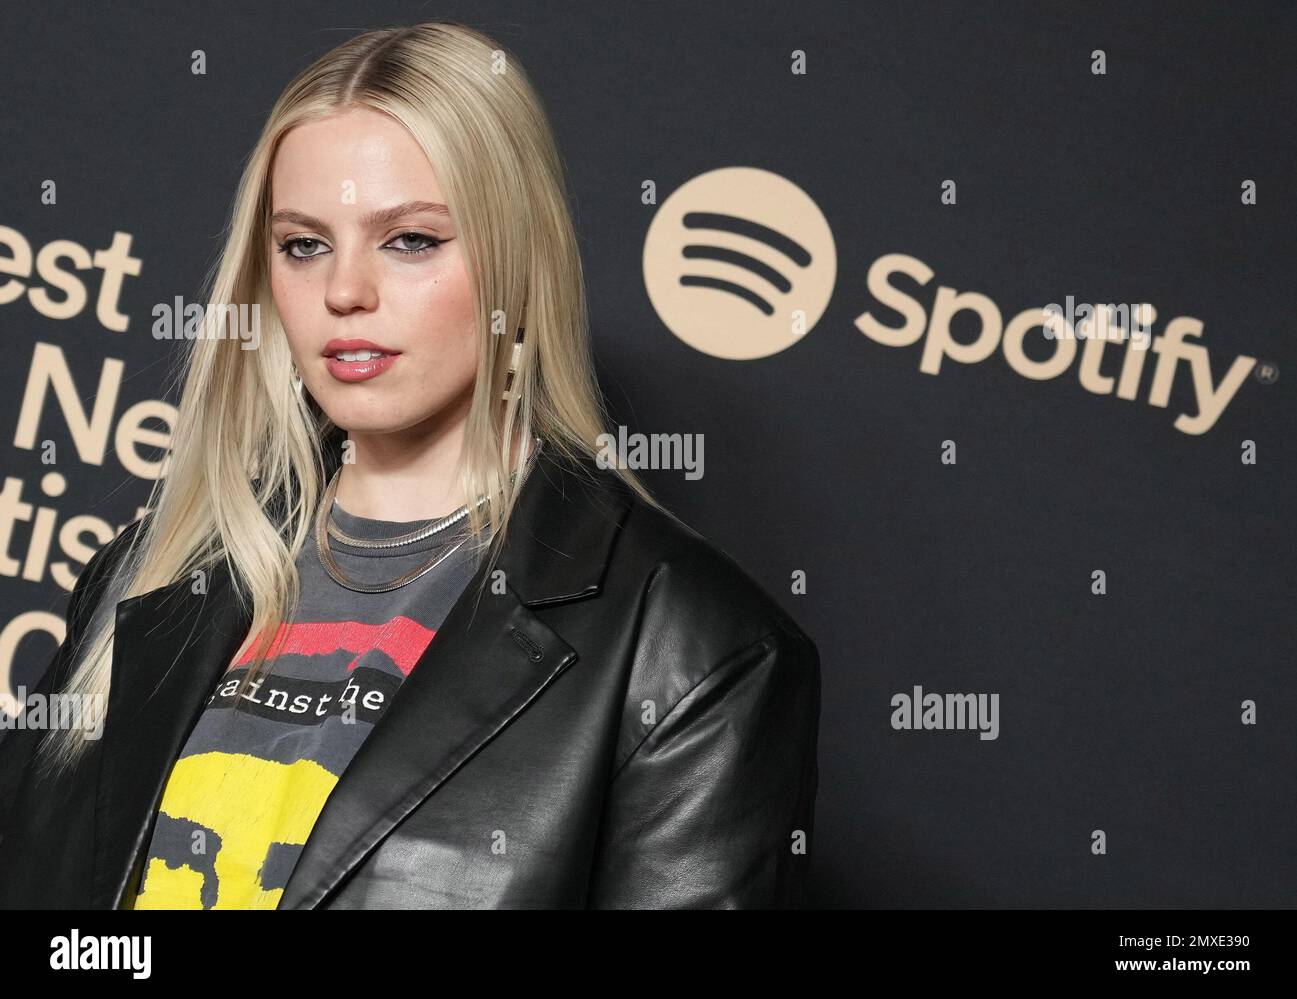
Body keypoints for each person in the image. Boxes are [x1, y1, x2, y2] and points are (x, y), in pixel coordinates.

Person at [0, 21, 820, 909]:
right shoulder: (150, 572)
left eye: (411, 240)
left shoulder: (695, 651)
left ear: (517, 259)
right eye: (304, 244)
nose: (344, 290)